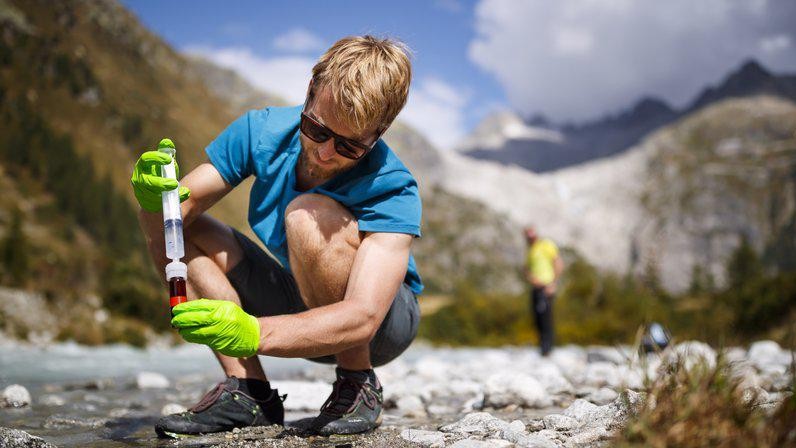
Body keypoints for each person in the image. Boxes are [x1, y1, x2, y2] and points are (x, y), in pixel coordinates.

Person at [130, 36, 422, 437]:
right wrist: (154, 203)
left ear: (379, 132)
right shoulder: (261, 130)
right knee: (185, 225)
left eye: (349, 146)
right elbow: (170, 225)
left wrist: (255, 332)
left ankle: (357, 383)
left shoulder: (393, 186)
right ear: (310, 92)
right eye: (316, 128)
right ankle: (248, 392)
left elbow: (365, 316)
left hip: (382, 324)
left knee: (307, 214)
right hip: (301, 298)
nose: (324, 153)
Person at [523, 226, 563, 356]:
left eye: (532, 235)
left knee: (546, 317)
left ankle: (547, 349)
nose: (530, 238)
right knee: (537, 318)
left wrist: (553, 283)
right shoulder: (531, 250)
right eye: (527, 236)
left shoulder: (546, 245)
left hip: (547, 287)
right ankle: (542, 346)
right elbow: (526, 269)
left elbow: (558, 263)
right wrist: (530, 278)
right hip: (536, 288)